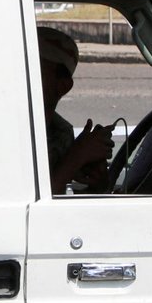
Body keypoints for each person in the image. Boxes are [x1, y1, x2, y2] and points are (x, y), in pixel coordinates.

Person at [38, 25, 113, 194]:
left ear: (63, 86)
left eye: (35, 70)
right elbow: (35, 201)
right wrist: (78, 155)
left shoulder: (60, 131)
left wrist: (97, 180)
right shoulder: (9, 128)